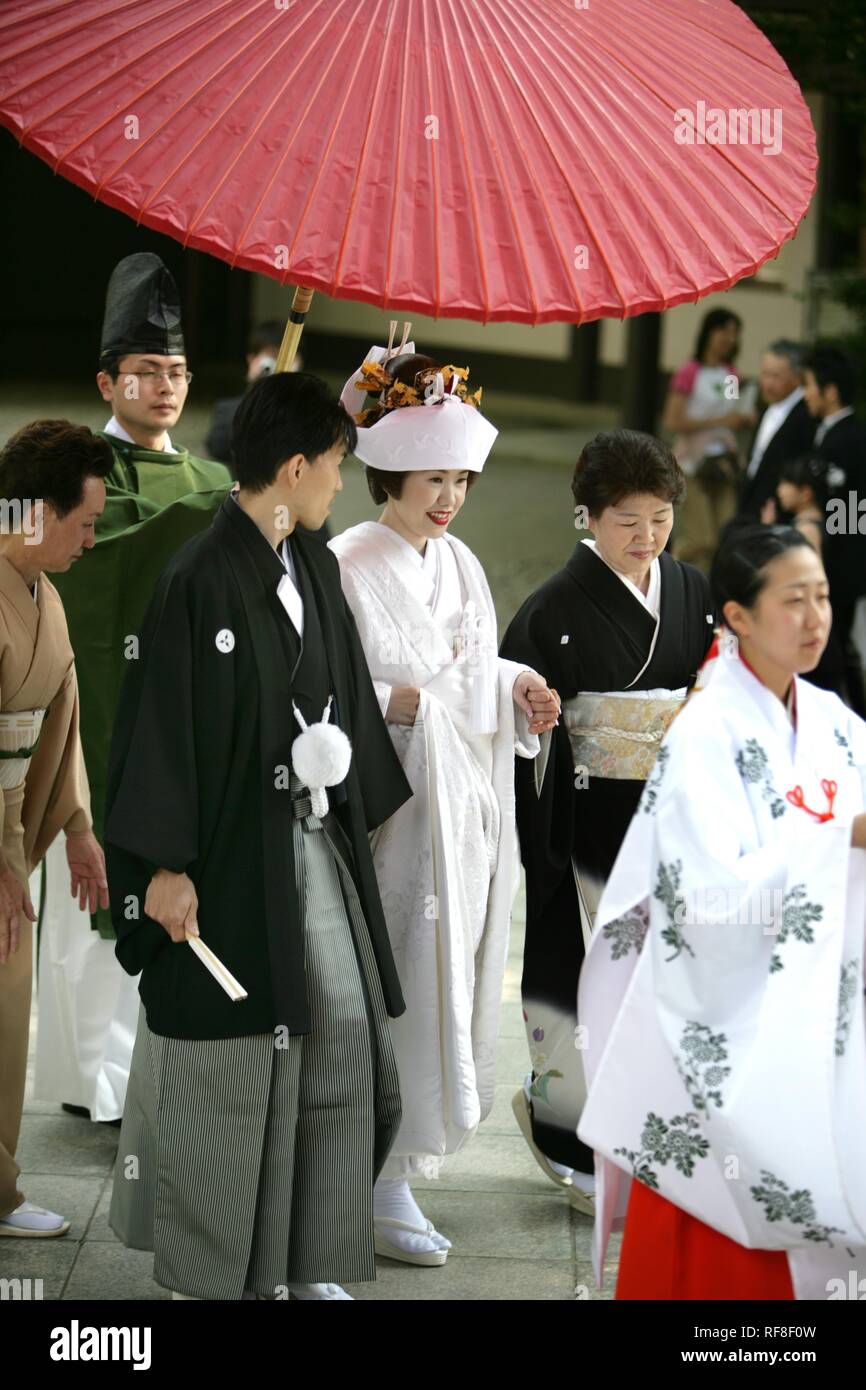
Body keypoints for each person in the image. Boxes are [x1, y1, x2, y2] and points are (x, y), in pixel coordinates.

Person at [106, 370, 411, 1300]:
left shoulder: (309, 560)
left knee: (340, 1034)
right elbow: (158, 724)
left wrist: (338, 765)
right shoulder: (198, 578)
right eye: (332, 464)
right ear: (291, 466)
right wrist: (161, 865)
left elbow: (343, 691)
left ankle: (304, 1256)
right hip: (230, 861)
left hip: (310, 847)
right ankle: (213, 1268)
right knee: (232, 1061)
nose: (337, 483)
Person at [579, 525, 866, 1300]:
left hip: (823, 1016)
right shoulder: (705, 734)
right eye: (793, 601)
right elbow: (705, 898)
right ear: (736, 616)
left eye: (825, 598)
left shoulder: (839, 726)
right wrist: (841, 840)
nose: (815, 619)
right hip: (730, 1022)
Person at [330, 338, 559, 1266]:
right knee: (395, 980)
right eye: (433, 477)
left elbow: (471, 668)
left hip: (456, 807)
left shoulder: (460, 563)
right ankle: (373, 1176)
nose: (449, 497)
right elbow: (325, 683)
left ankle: (402, 1171)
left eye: (460, 478)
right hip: (392, 809)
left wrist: (515, 688)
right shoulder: (347, 559)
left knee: (450, 972)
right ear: (388, 471)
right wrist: (399, 702)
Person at [34, 253, 232, 1127]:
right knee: (90, 899)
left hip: (175, 715)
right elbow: (92, 551)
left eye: (179, 372)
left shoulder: (209, 479)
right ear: (107, 380)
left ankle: (153, 1073)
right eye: (146, 371)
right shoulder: (76, 475)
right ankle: (90, 1085)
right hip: (97, 707)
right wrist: (224, 506)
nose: (165, 387)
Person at [500, 431, 715, 1213]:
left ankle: (655, 1144)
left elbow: (713, 684)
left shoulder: (690, 589)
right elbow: (515, 715)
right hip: (583, 815)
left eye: (660, 518)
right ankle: (573, 1141)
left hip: (670, 819)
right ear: (586, 517)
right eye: (627, 521)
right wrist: (534, 711)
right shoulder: (551, 609)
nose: (646, 538)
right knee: (587, 978)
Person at [0, 421, 109, 1238]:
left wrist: (75, 824)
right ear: (35, 514)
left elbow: (62, 715)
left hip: (12, 832)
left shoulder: (45, 592)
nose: (91, 540)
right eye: (85, 523)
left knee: (7, 1013)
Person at [662, 308, 755, 572]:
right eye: (723, 331)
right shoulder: (689, 372)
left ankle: (706, 599)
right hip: (692, 464)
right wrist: (721, 422)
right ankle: (667, 569)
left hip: (722, 464)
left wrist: (744, 417)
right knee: (703, 538)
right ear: (708, 333)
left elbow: (732, 410)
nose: (729, 338)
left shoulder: (731, 373)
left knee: (724, 538)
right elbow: (672, 421)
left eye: (734, 333)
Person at [804, 345, 866, 716]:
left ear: (830, 391)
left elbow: (853, 508)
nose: (806, 393)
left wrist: (834, 558)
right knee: (837, 649)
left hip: (840, 565)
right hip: (836, 562)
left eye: (810, 385)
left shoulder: (850, 439)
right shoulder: (833, 433)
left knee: (837, 649)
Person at [740, 340, 815, 519]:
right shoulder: (768, 406)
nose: (768, 383)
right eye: (765, 374)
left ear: (797, 377)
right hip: (751, 501)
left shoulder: (806, 414)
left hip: (778, 510)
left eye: (776, 376)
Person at [205, 319, 292, 467]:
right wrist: (255, 391)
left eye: (289, 356)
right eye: (273, 355)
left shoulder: (306, 412)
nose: (279, 364)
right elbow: (218, 448)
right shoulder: (227, 409)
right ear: (252, 358)